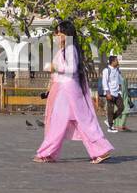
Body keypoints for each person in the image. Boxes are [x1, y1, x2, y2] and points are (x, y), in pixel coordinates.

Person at [34, 20, 113, 164]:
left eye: (59, 32)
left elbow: (71, 69)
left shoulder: (70, 49)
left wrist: (54, 67)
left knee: (62, 121)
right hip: (65, 88)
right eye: (56, 32)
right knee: (78, 121)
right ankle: (99, 150)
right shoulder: (65, 49)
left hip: (68, 89)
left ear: (66, 33)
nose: (57, 35)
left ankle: (47, 153)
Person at [101, 55, 123, 133]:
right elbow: (104, 82)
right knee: (110, 110)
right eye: (116, 60)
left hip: (117, 92)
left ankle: (109, 120)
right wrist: (107, 93)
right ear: (112, 61)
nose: (118, 62)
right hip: (110, 93)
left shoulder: (117, 70)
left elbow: (120, 81)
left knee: (121, 107)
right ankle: (110, 127)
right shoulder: (106, 70)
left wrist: (120, 90)